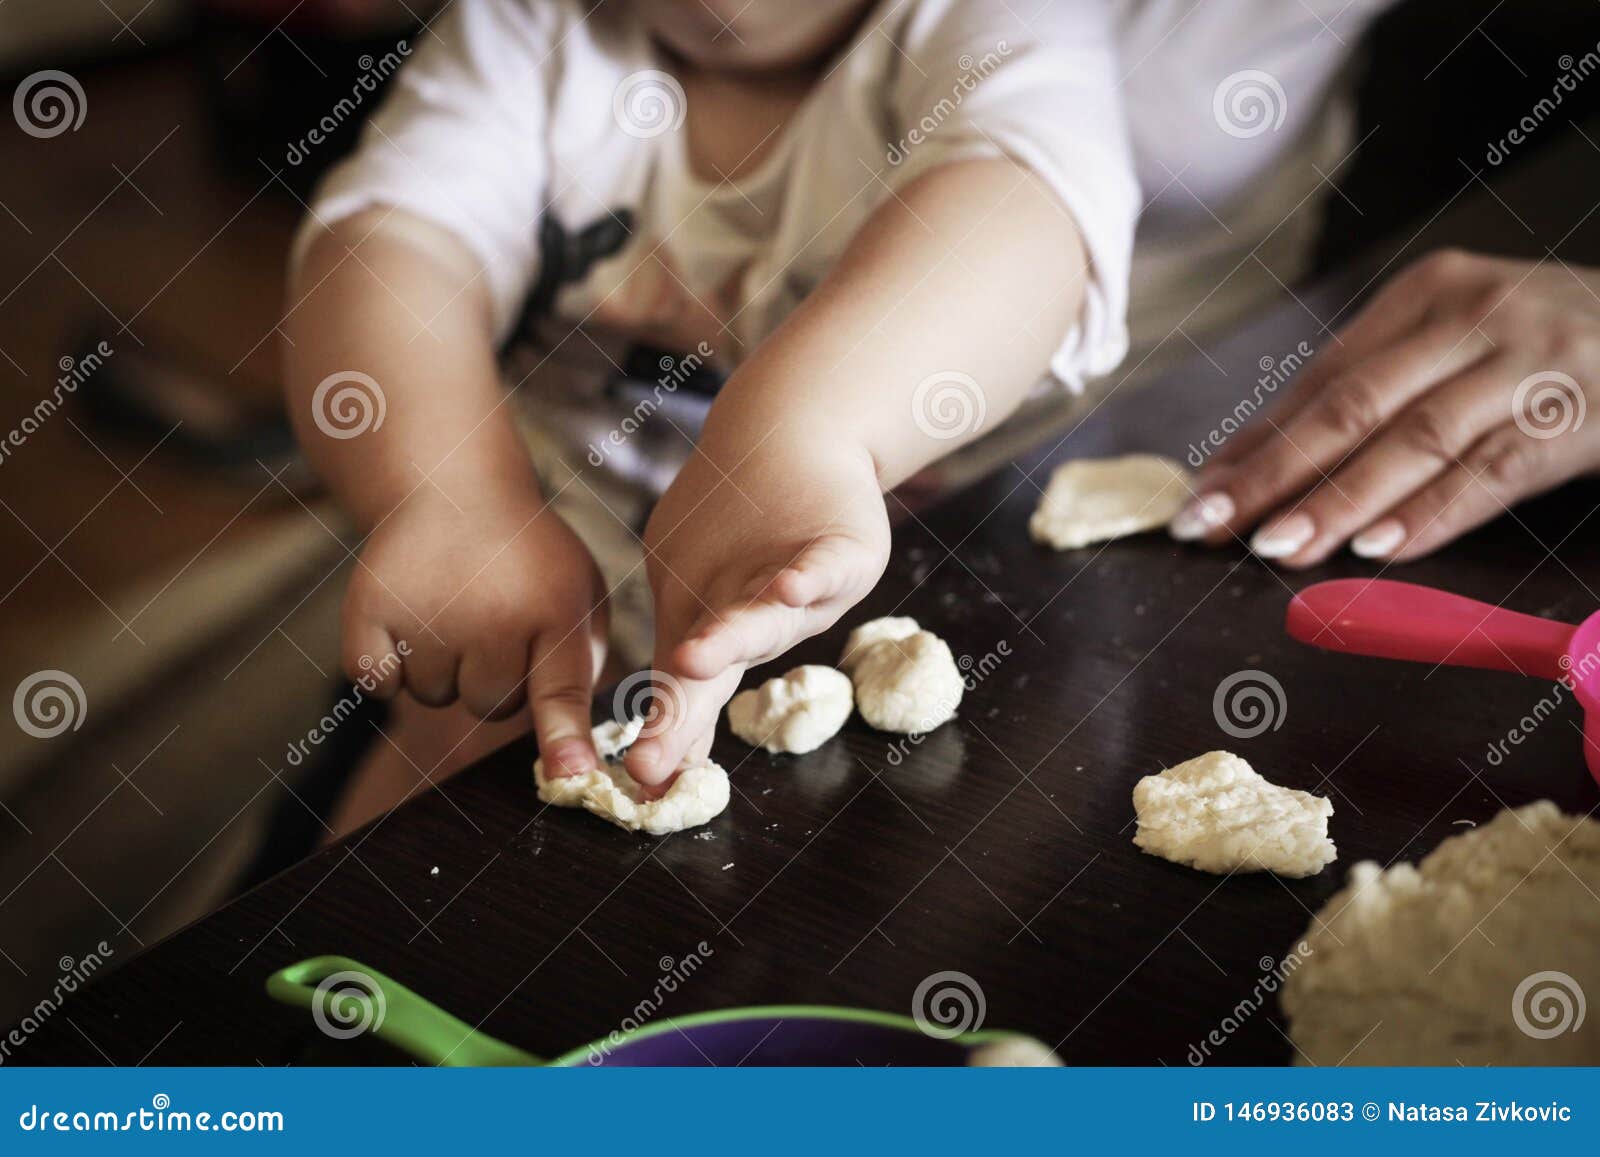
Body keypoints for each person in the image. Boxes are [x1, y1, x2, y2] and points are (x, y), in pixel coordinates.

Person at [285, 0, 1424, 832]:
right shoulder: (526, 32)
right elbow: (387, 246)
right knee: (403, 872)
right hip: (533, 603)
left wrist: (807, 429)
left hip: (869, 596)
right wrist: (449, 495)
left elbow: (1022, 205)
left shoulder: (979, 25)